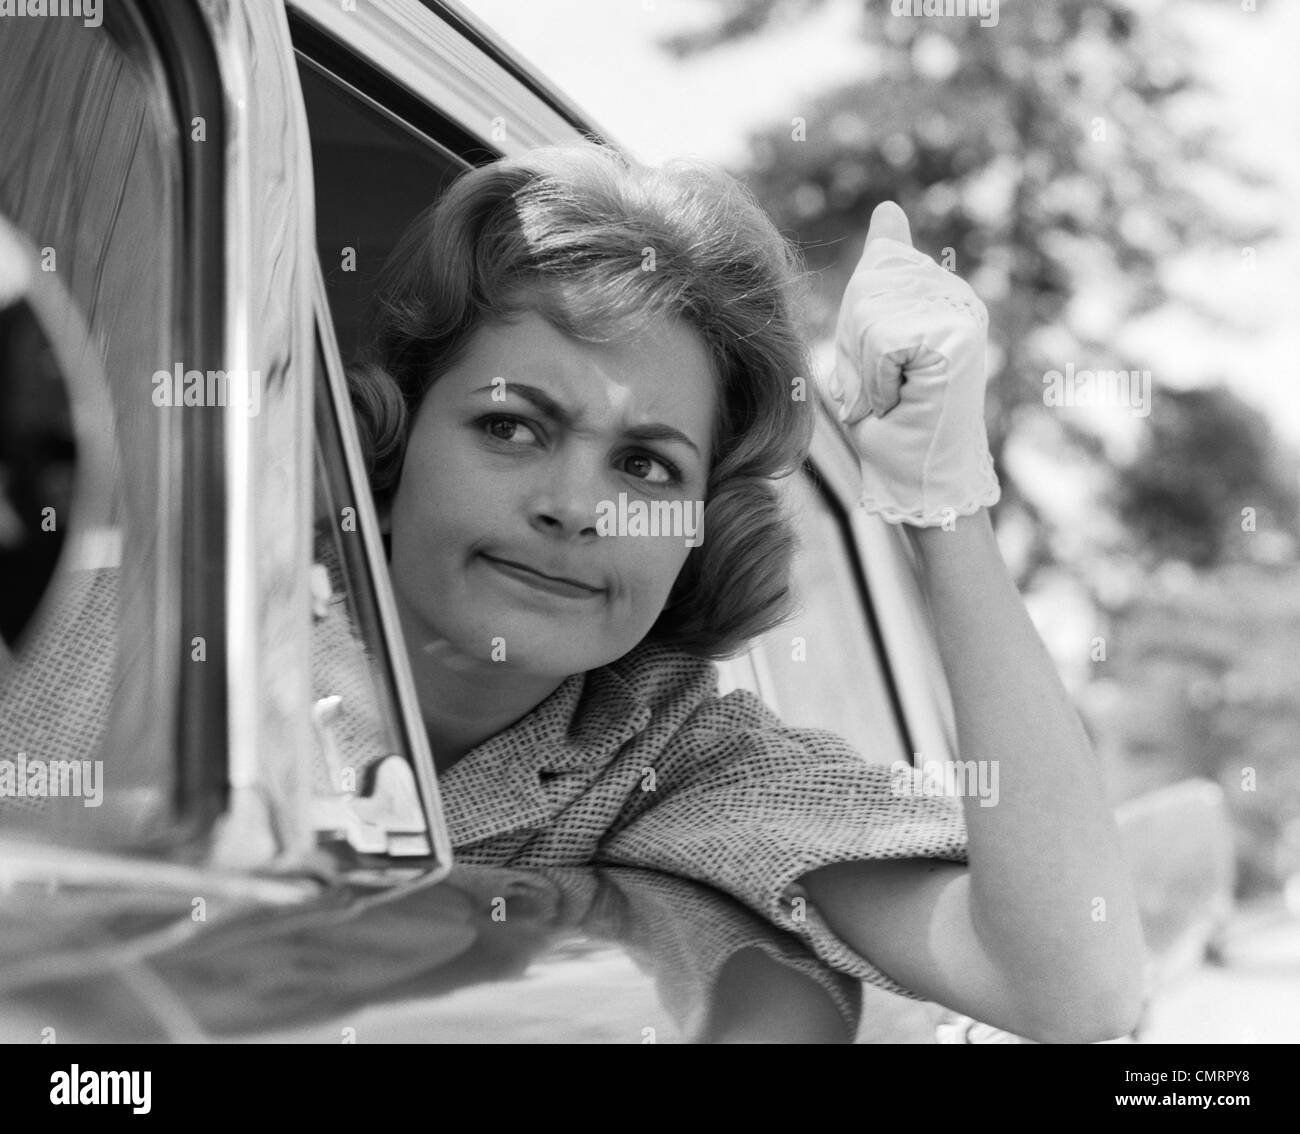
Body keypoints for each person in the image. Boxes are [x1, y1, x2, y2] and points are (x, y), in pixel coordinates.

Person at [342, 141, 1147, 1043]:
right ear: (389, 440)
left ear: (699, 533)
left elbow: (1075, 986)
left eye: (645, 465)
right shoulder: (196, 629)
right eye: (511, 426)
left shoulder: (678, 761)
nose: (574, 509)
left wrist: (943, 504)